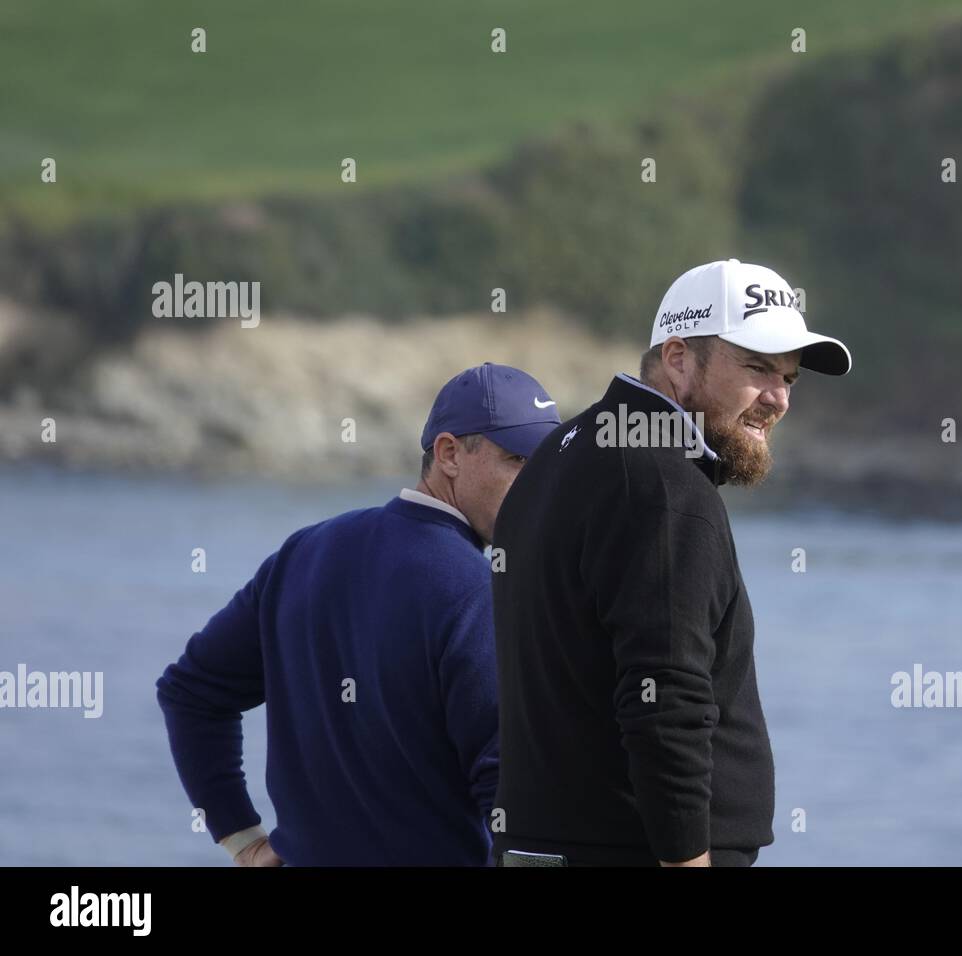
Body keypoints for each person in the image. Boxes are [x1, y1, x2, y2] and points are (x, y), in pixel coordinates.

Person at [490, 259, 851, 867]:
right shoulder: (663, 487)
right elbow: (664, 702)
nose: (779, 399)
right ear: (679, 358)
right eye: (758, 367)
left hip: (541, 844)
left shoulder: (565, 450)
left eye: (790, 378)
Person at [157, 363, 561, 865]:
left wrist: (243, 839)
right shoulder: (476, 591)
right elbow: (511, 795)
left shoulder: (304, 552)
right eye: (517, 459)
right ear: (449, 454)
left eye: (545, 465)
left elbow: (190, 691)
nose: (539, 486)